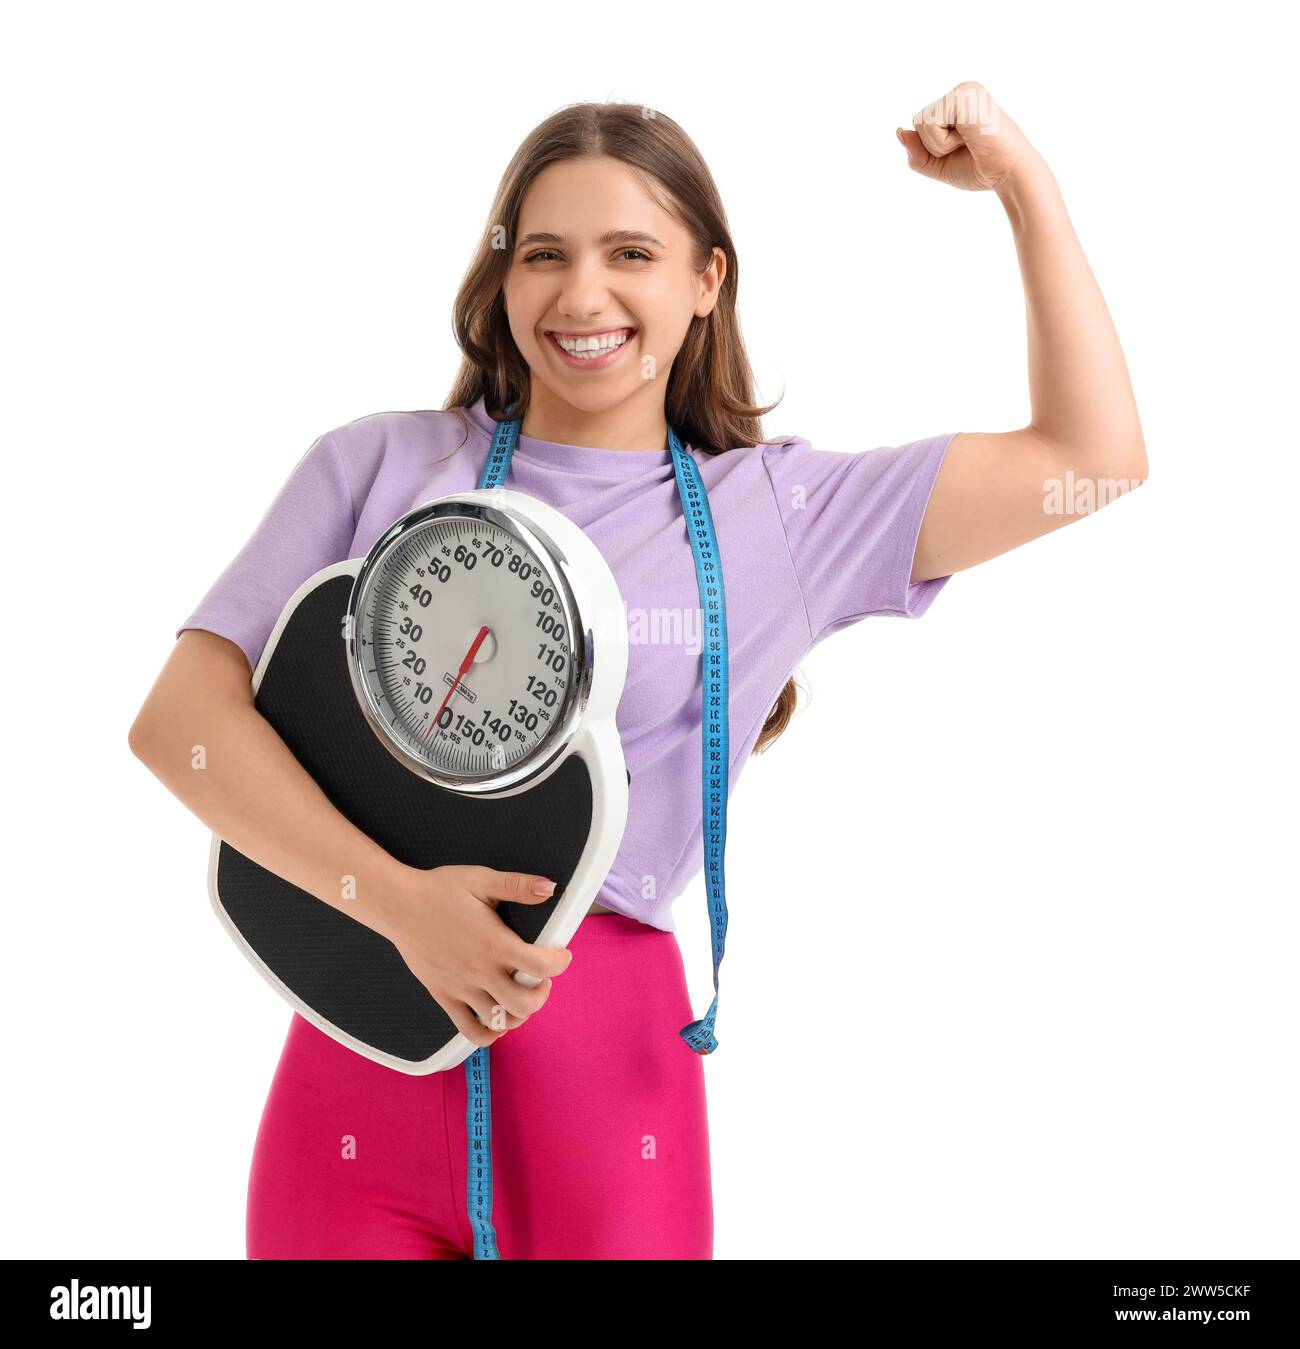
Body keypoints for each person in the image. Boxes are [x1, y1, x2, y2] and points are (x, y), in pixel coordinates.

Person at [128, 86, 1147, 1260]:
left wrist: (1024, 185)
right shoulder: (379, 465)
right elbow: (179, 723)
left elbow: (1094, 458)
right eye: (545, 254)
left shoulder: (783, 513)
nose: (582, 295)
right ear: (502, 278)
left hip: (604, 1093)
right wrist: (397, 906)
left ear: (707, 279)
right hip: (357, 1053)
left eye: (632, 254)